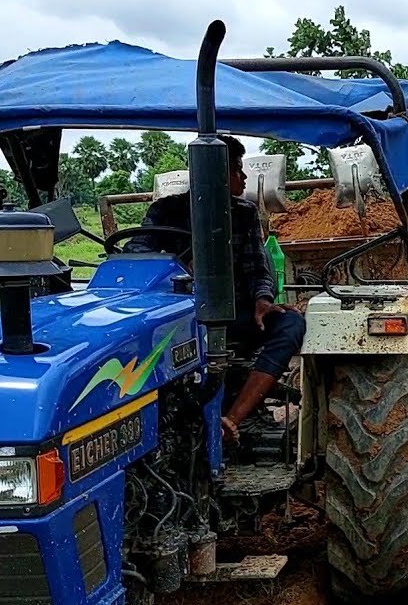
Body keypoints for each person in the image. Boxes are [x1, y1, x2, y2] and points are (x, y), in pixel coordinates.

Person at [125, 135, 306, 442]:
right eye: (238, 169)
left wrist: (263, 298)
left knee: (291, 322)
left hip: (233, 313)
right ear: (215, 173)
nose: (244, 177)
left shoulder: (244, 213)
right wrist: (177, 265)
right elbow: (136, 251)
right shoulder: (165, 211)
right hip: (178, 318)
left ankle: (231, 419)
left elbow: (258, 265)